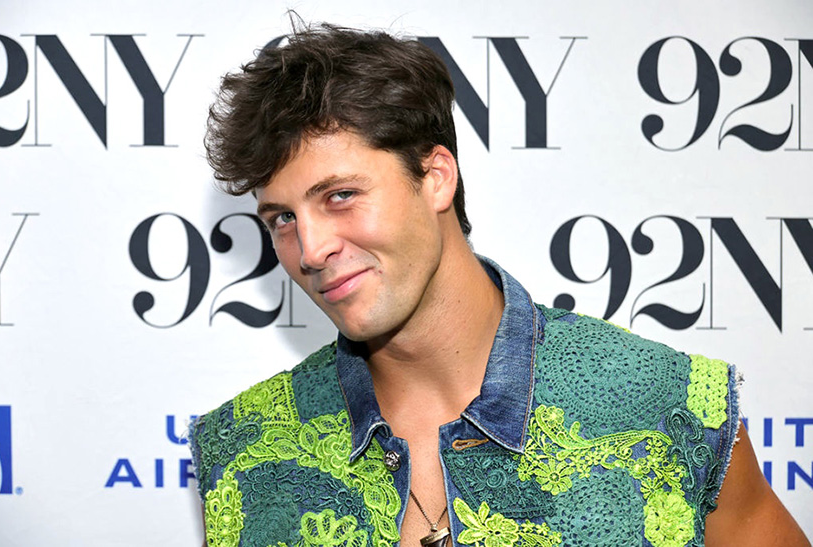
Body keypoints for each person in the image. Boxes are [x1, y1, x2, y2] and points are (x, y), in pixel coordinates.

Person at [190, 23, 809, 547]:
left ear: (436, 177)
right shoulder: (241, 450)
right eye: (282, 219)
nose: (311, 249)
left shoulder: (669, 406)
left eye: (341, 196)